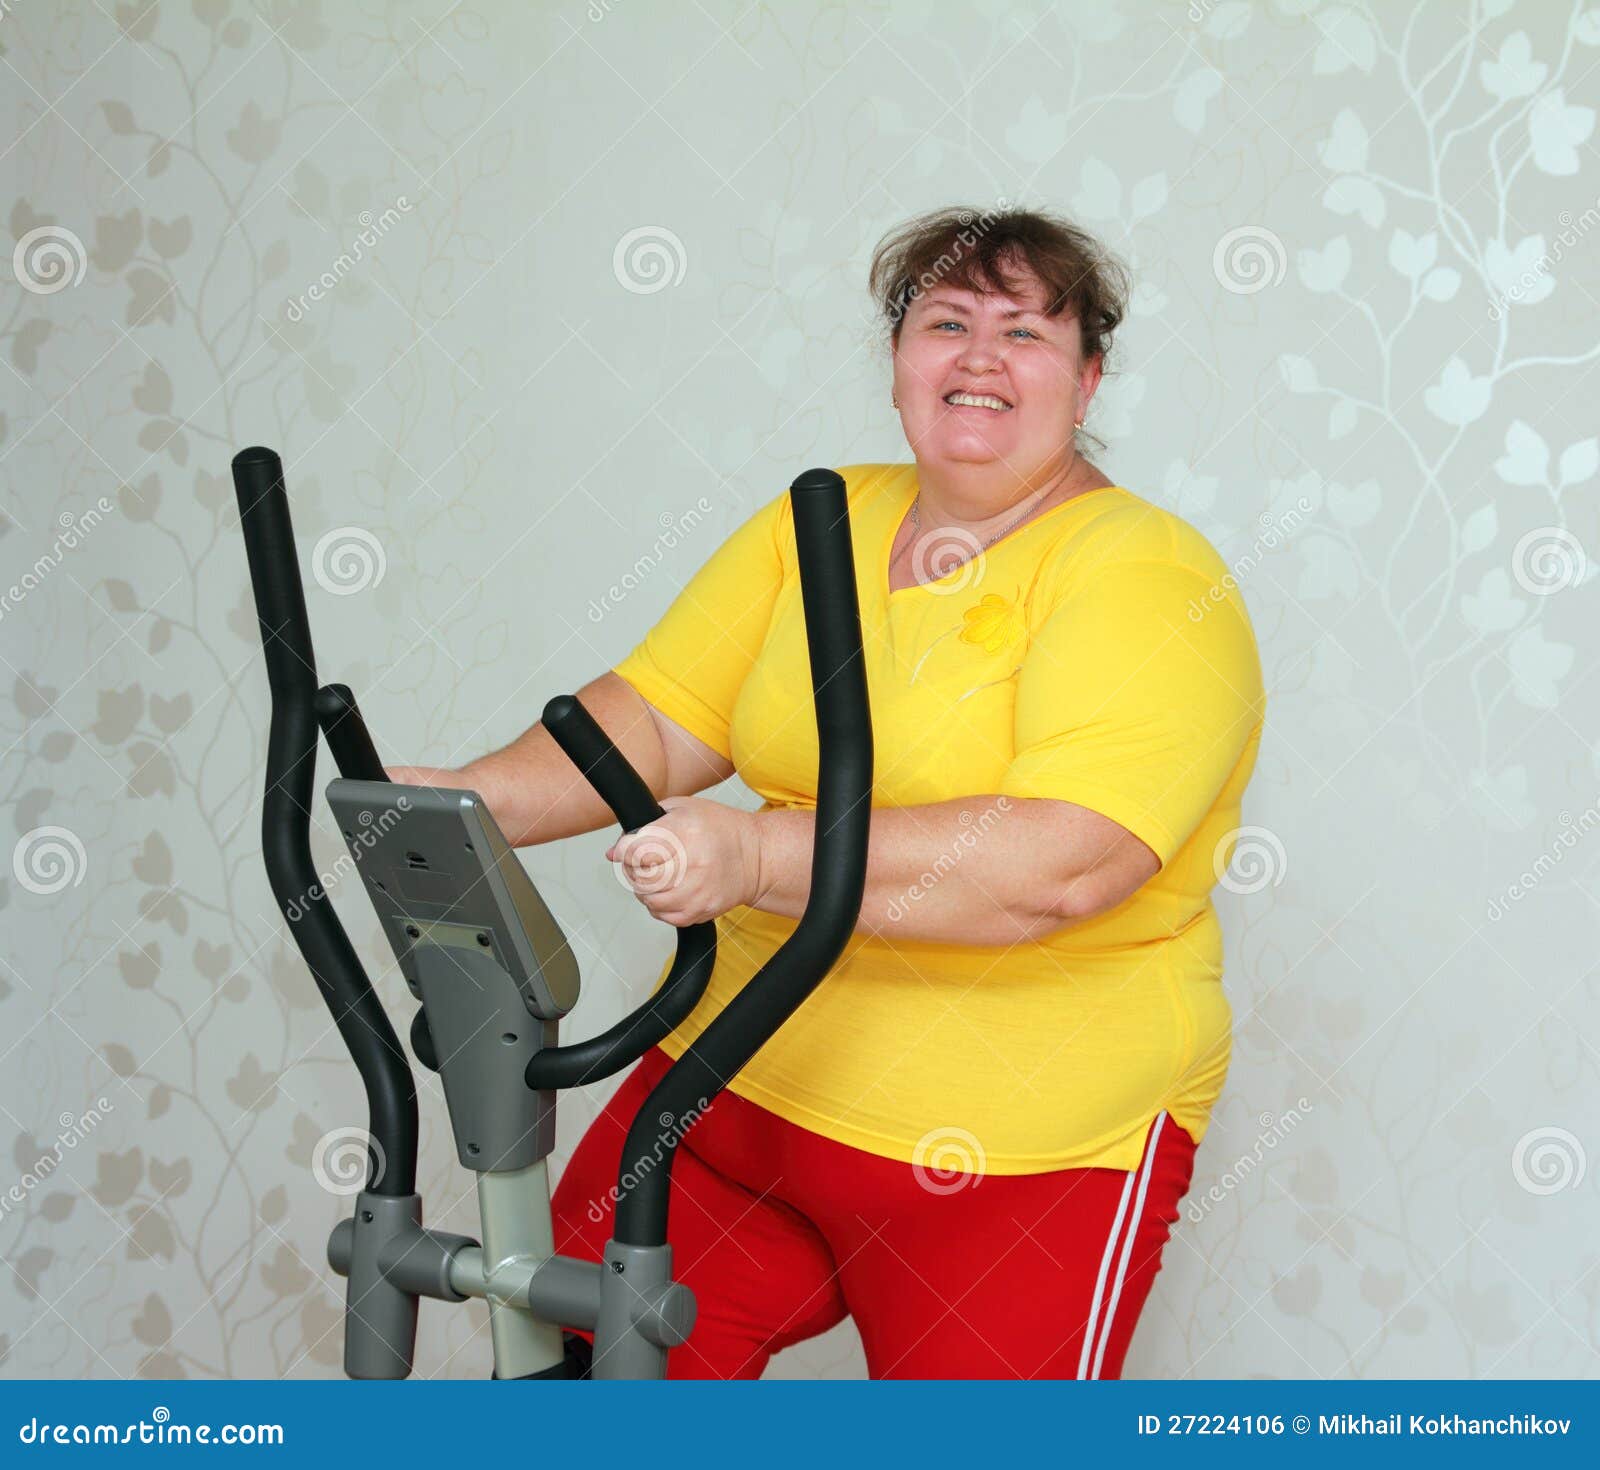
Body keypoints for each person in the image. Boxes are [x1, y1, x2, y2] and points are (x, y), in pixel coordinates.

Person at [390, 206, 1266, 1379]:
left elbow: (1064, 862)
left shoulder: (1146, 577)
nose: (976, 359)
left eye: (1025, 333)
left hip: (1018, 1148)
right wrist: (464, 802)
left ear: (1089, 374)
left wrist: (757, 859)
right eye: (944, 322)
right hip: (733, 1085)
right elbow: (654, 719)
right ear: (899, 359)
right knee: (581, 1383)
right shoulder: (821, 520)